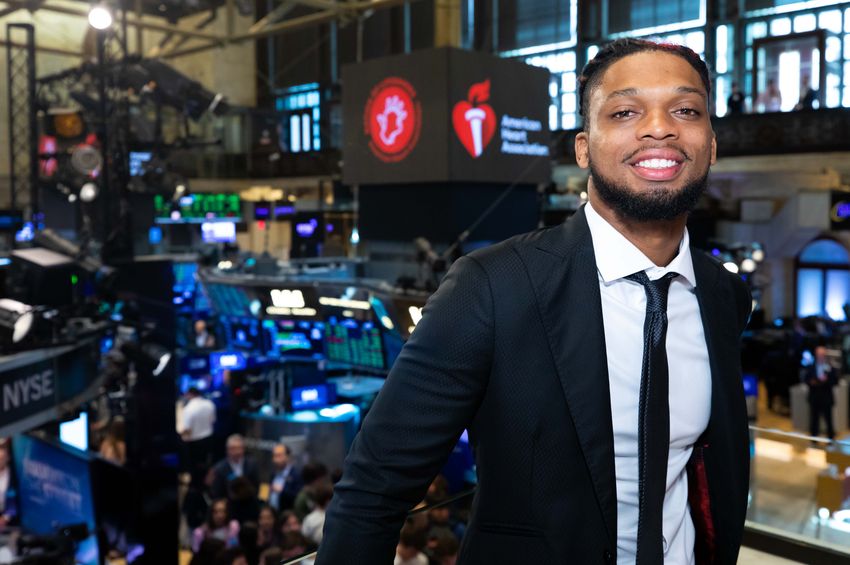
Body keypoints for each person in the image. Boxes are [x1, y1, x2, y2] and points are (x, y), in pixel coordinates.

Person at [317, 38, 752, 565]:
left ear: (710, 143)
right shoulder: (492, 287)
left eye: (686, 110)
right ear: (584, 149)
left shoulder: (722, 295)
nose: (659, 127)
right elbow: (372, 494)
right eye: (625, 111)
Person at [181, 387, 216, 485]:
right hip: (208, 439)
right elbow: (212, 421)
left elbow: (187, 429)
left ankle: (196, 487)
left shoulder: (188, 408)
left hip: (195, 443)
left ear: (189, 394)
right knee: (206, 464)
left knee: (195, 468)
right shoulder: (210, 404)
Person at [209, 434, 261, 500]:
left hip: (248, 502)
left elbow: (256, 486)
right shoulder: (220, 468)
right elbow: (217, 492)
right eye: (233, 448)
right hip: (228, 504)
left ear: (243, 449)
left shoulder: (252, 465)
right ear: (227, 450)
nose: (236, 451)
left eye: (239, 448)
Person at [806, 345, 838, 440]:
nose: (821, 357)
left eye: (823, 355)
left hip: (826, 399)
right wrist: (814, 382)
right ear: (816, 355)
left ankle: (831, 440)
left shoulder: (830, 367)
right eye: (819, 355)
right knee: (814, 421)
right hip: (814, 398)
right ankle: (814, 440)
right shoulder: (810, 367)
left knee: (829, 421)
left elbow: (835, 381)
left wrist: (826, 380)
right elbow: (806, 380)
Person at [267, 443, 302, 512]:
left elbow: (297, 497)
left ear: (288, 456)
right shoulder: (272, 474)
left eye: (279, 456)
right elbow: (262, 496)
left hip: (287, 514)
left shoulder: (296, 475)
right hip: (271, 514)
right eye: (274, 456)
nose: (275, 460)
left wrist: (282, 491)